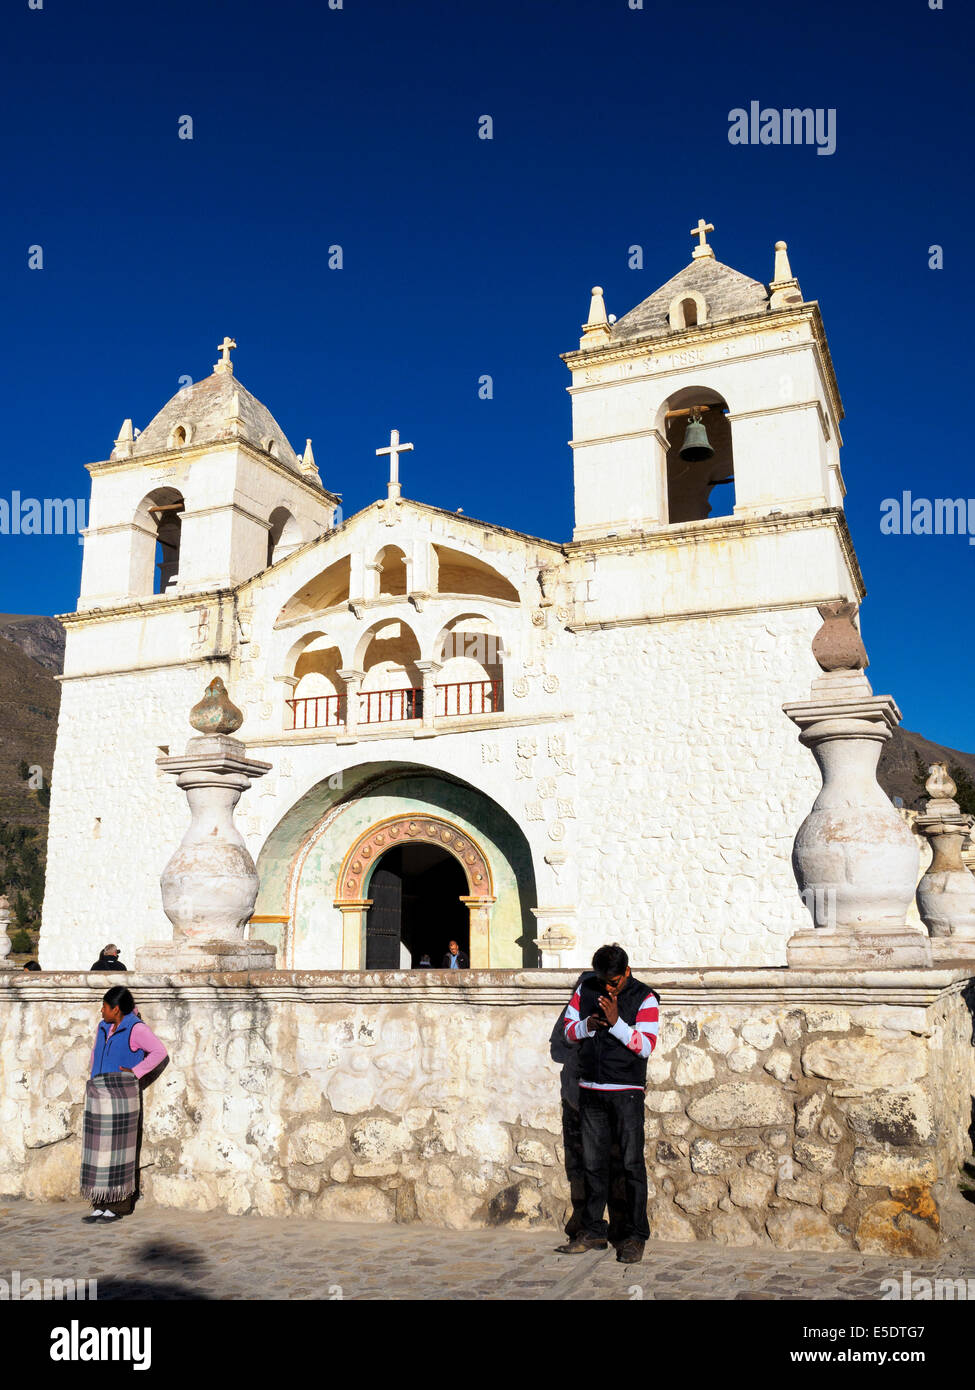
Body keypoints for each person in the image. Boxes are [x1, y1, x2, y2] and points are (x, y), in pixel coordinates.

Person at [557, 944, 659, 1265]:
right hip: (590, 1089)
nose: (607, 987)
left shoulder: (645, 998)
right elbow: (568, 1034)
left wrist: (615, 1023)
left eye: (613, 981)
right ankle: (593, 1230)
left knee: (630, 1165)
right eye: (603, 980)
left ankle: (634, 1235)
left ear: (626, 973)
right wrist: (589, 1024)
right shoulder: (586, 989)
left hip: (626, 1092)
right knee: (592, 1164)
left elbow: (645, 1046)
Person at [80, 985, 167, 1224]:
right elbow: (95, 1053)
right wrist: (92, 1075)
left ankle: (118, 1205)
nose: (102, 1011)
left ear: (116, 1009)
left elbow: (159, 1052)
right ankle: (99, 1203)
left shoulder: (136, 1029)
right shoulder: (103, 1027)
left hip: (121, 1096)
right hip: (99, 1093)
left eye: (105, 1007)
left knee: (119, 1151)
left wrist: (135, 1072)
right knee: (97, 1150)